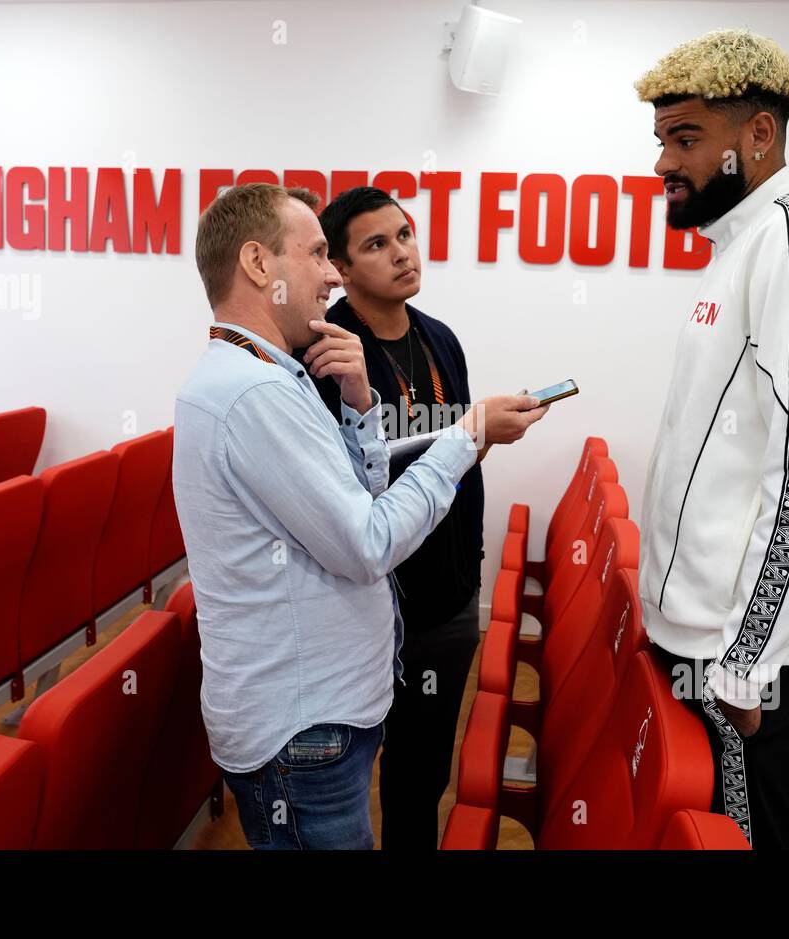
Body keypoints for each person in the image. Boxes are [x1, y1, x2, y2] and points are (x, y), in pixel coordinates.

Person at [172, 182, 547, 850]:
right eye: (318, 253)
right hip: (303, 725)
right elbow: (370, 539)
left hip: (320, 713)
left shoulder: (267, 374)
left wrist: (359, 405)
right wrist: (465, 435)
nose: (328, 275)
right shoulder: (252, 392)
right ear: (259, 265)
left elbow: (354, 497)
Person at [633, 29, 789, 849]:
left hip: (740, 655)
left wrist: (744, 660)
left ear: (759, 135)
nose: (665, 161)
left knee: (745, 839)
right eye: (663, 139)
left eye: (687, 138)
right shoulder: (738, 245)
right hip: (697, 636)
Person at [298, 186, 483, 849]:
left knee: (422, 775)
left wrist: (470, 569)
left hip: (449, 603)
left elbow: (463, 464)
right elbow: (337, 488)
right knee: (348, 778)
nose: (402, 253)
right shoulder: (329, 357)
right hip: (369, 609)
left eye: (404, 234)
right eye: (377, 245)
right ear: (340, 270)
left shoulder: (442, 340)